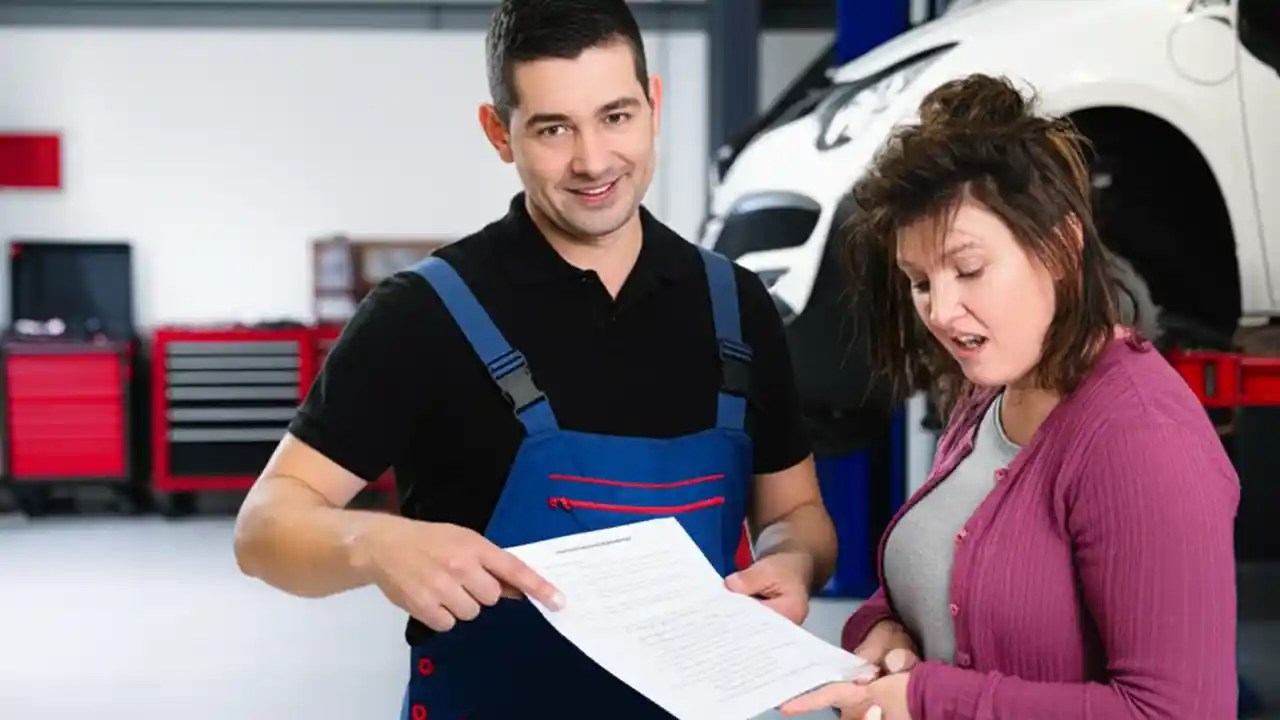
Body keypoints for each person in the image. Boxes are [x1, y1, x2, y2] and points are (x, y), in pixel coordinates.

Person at [232, 1, 838, 717]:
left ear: (654, 102)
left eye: (616, 117)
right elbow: (264, 527)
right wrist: (371, 541)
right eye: (554, 129)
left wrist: (793, 560)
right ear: (499, 132)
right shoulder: (422, 314)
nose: (592, 161)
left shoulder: (736, 304)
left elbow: (796, 511)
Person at [780, 74, 1240, 720]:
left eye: (968, 269)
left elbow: (1174, 713)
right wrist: (884, 634)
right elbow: (941, 580)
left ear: (1059, 248)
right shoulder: (989, 390)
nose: (940, 310)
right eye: (919, 281)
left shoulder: (1140, 440)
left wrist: (926, 700)